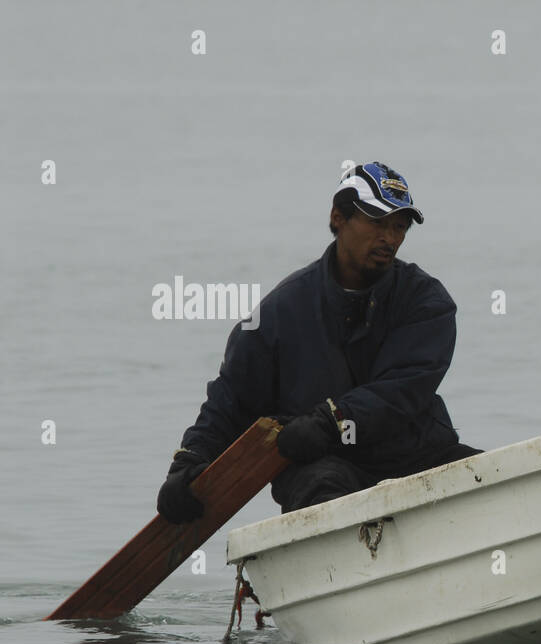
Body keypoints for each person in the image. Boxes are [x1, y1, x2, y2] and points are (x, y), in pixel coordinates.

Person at [156, 161, 478, 522]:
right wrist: (190, 460)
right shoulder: (279, 313)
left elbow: (402, 390)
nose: (390, 238)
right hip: (322, 469)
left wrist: (332, 420)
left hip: (417, 457)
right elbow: (231, 400)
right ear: (338, 218)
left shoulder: (426, 301)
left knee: (488, 476)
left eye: (399, 226)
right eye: (376, 222)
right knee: (322, 488)